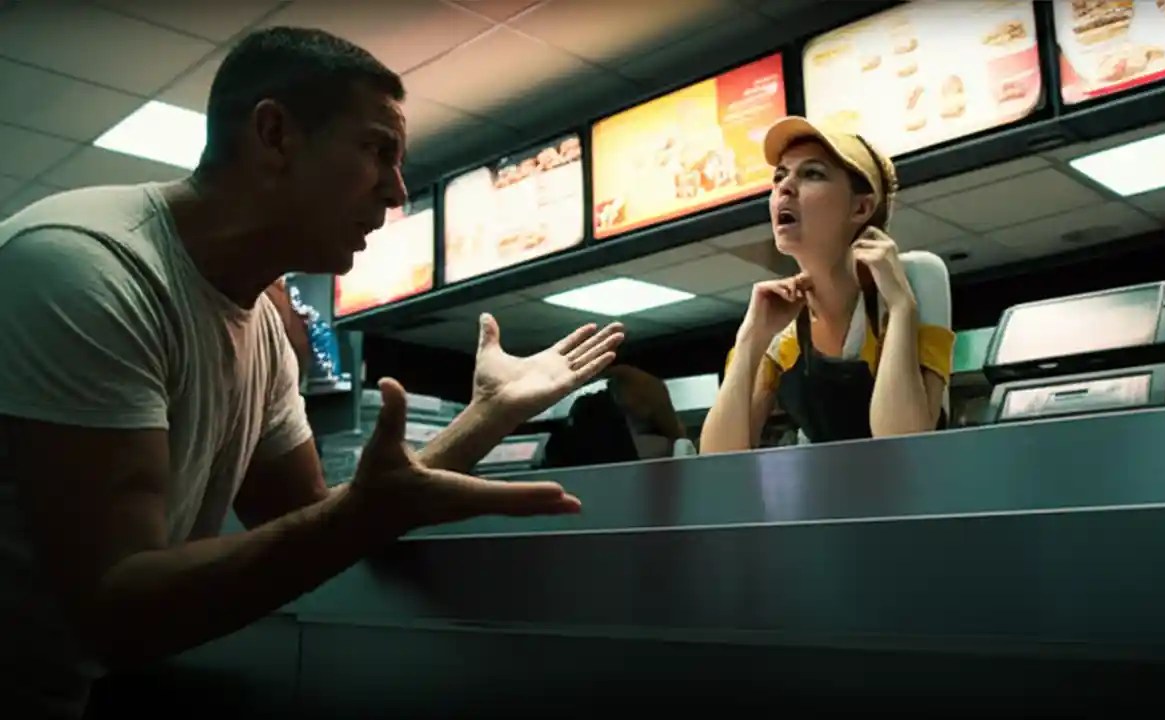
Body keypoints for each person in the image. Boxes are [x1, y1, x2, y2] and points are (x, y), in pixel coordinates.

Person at [0, 27, 624, 718]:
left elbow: (310, 523)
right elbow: (115, 609)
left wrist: (487, 415)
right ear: (274, 135)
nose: (396, 192)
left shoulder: (263, 329)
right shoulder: (84, 269)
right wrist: (364, 513)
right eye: (377, 151)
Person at [700, 116, 954, 453]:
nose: (784, 187)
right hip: (829, 503)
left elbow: (905, 447)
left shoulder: (916, 279)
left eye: (812, 174)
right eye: (780, 176)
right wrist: (749, 338)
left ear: (861, 207)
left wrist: (901, 307)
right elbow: (718, 458)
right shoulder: (781, 318)